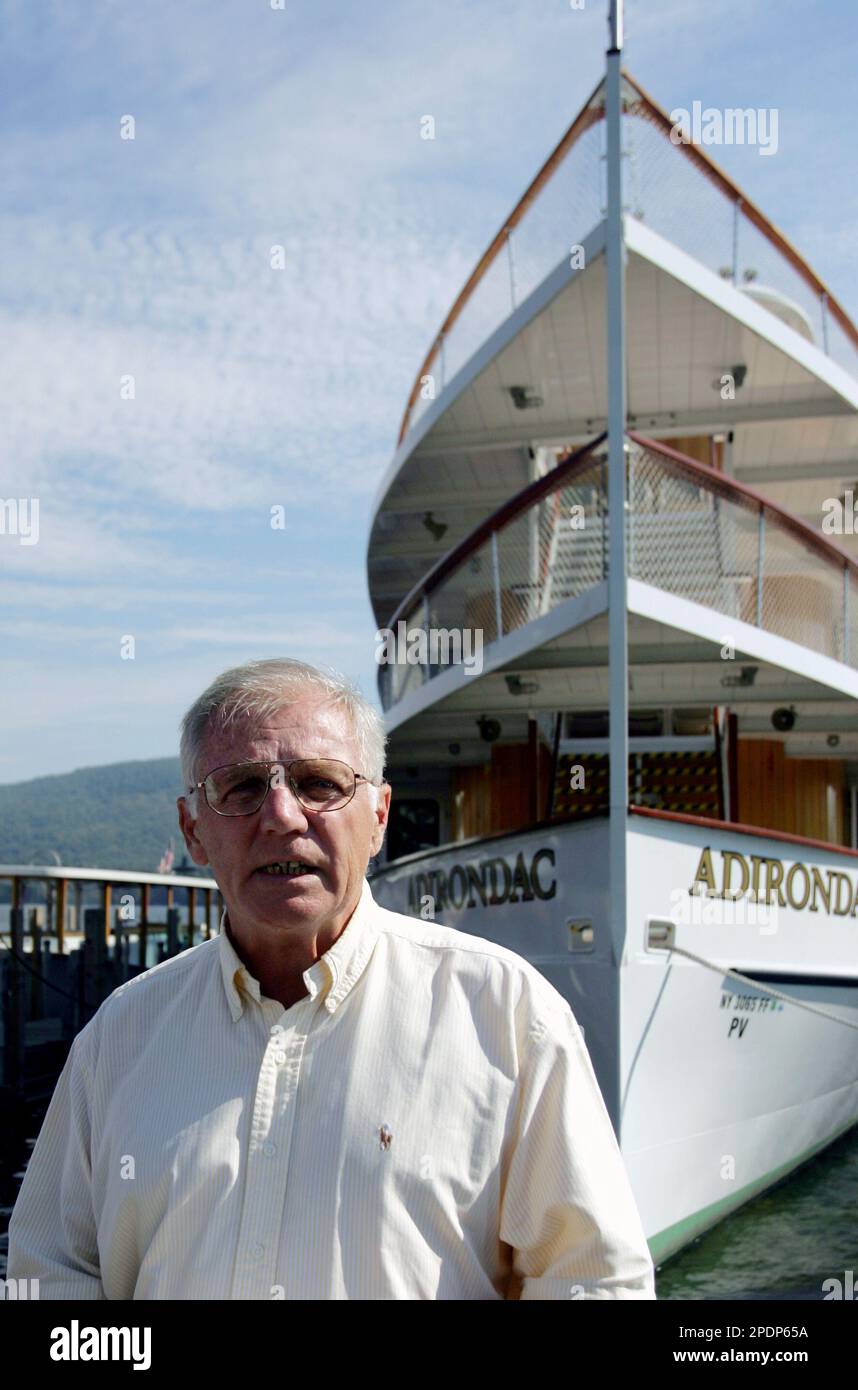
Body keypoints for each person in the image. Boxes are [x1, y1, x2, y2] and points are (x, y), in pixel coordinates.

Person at [7, 657, 655, 1300]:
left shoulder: (506, 1014)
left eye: (319, 784)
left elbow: (592, 1281)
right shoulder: (119, 1037)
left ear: (378, 816)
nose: (283, 816)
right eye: (241, 787)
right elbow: (51, 1277)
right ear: (192, 830)